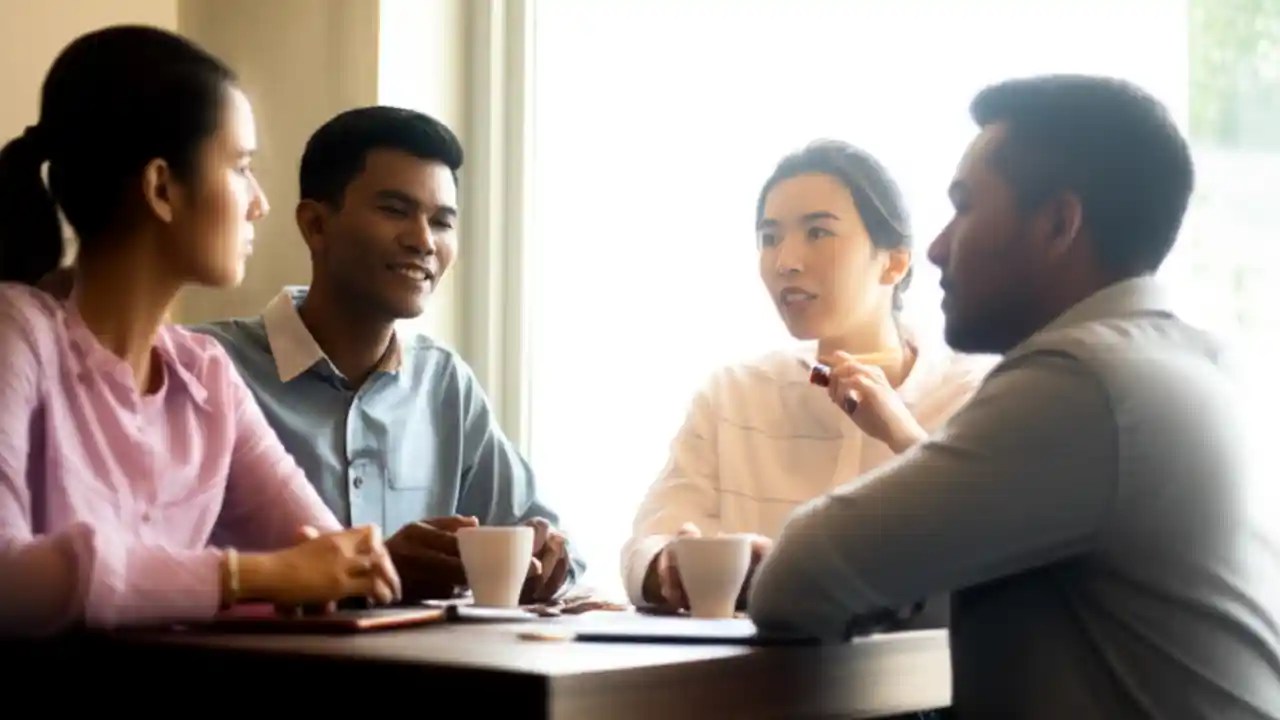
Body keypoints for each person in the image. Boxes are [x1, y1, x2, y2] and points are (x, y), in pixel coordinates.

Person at [748, 74, 1280, 718]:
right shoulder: (1198, 366)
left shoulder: (1084, 380)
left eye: (966, 206)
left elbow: (796, 580)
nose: (939, 248)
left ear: (1059, 223)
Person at [0, 25, 400, 637]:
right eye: (241, 167)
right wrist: (247, 578)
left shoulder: (206, 373)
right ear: (162, 187)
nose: (260, 203)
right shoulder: (16, 332)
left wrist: (360, 567)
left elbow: (332, 556)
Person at [194, 107, 582, 604]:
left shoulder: (442, 384)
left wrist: (547, 558)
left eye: (442, 222)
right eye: (395, 211)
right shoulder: (209, 368)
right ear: (315, 225)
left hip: (428, 677)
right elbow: (171, 570)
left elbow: (551, 539)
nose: (423, 241)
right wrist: (376, 574)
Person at [622, 140, 992, 613]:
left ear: (896, 262)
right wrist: (667, 568)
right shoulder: (734, 394)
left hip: (913, 681)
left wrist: (904, 437)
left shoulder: (974, 395)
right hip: (739, 681)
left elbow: (995, 566)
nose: (785, 262)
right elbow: (646, 544)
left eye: (818, 233)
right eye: (770, 238)